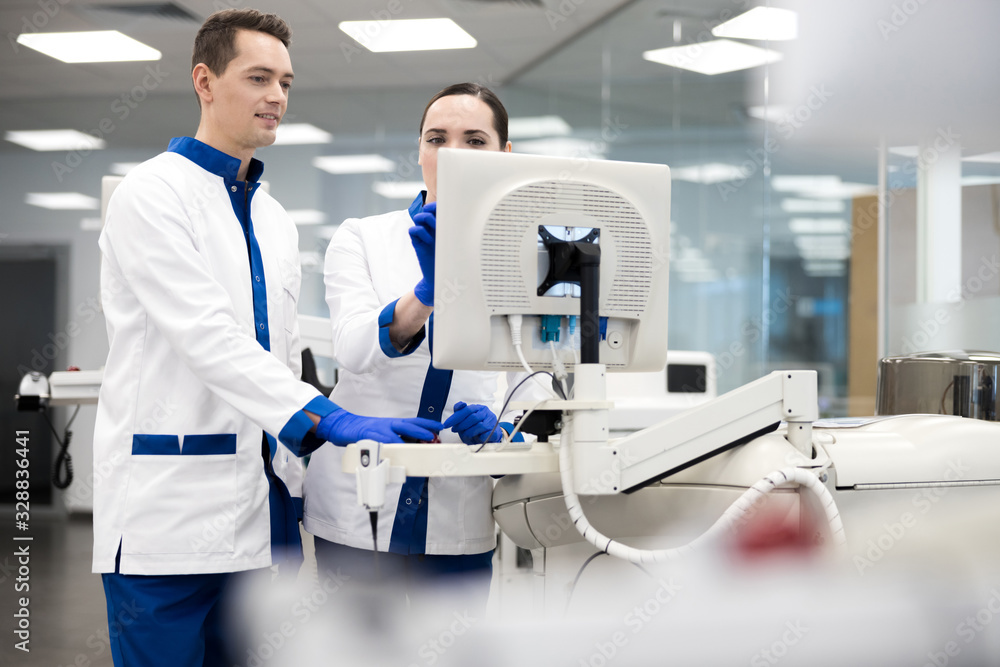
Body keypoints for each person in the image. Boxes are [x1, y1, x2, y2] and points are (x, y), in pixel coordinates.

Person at [93, 10, 440, 667]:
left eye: (285, 81)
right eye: (258, 78)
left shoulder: (275, 219)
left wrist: (297, 475)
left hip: (257, 516)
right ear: (205, 81)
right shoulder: (150, 195)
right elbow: (208, 337)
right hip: (163, 514)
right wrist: (327, 416)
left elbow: (274, 358)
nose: (276, 96)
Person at [302, 83, 549, 610]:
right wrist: (425, 295)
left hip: (457, 513)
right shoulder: (363, 238)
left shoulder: (534, 258)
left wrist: (508, 432)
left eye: (474, 140)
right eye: (437, 138)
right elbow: (352, 348)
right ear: (419, 151)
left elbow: (538, 380)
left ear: (504, 156)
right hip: (359, 505)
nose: (452, 153)